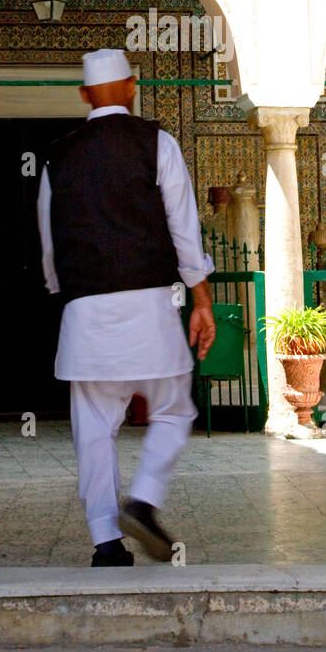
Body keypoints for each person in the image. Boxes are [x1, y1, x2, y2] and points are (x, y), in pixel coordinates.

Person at [37, 49, 216, 566]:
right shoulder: (156, 142)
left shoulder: (57, 155)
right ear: (132, 87)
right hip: (150, 309)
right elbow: (185, 230)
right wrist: (201, 299)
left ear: (86, 95)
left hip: (86, 314)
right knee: (174, 409)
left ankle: (106, 543)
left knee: (93, 428)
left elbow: (50, 244)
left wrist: (65, 291)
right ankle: (142, 500)